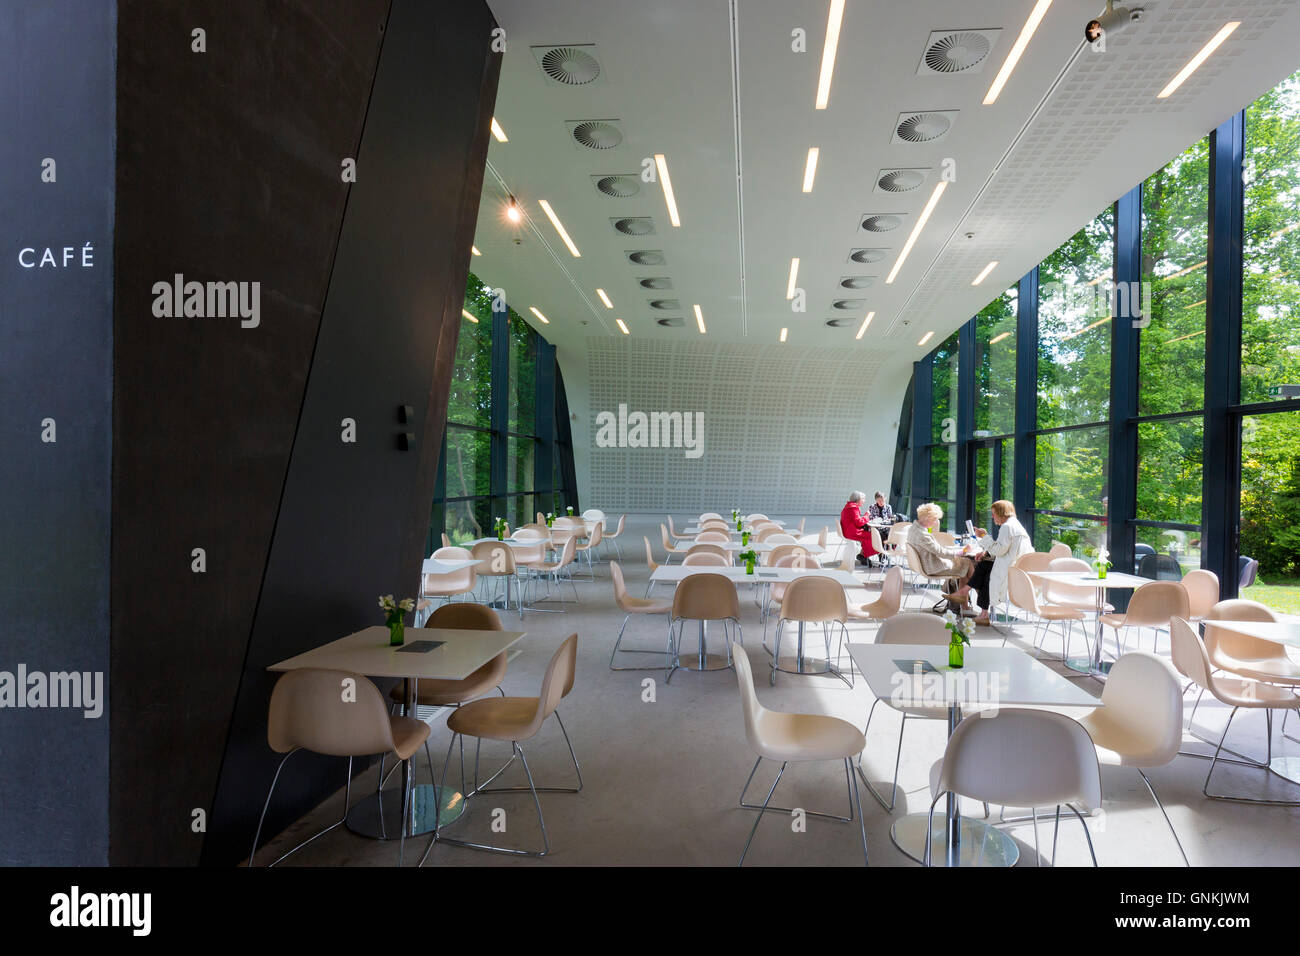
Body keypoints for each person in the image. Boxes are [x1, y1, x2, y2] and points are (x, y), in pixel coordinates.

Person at [969, 500, 1032, 626]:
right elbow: (1004, 549)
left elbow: (999, 550)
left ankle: (978, 607)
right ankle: (980, 609)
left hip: (1010, 570)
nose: (992, 517)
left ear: (1001, 513)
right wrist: (986, 552)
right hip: (1017, 567)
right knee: (983, 567)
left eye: (993, 514)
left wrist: (984, 536)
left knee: (984, 574)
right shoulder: (1015, 525)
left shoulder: (1007, 527)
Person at [909, 503, 974, 605]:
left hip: (923, 565)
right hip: (931, 567)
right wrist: (963, 551)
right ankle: (978, 603)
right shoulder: (923, 535)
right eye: (935, 519)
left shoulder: (913, 528)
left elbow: (936, 549)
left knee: (963, 566)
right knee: (967, 563)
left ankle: (963, 603)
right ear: (927, 518)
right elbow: (940, 552)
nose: (935, 522)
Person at [839, 491, 879, 566]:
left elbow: (856, 521)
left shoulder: (849, 506)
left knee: (870, 535)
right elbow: (859, 522)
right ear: (858, 499)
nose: (864, 500)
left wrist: (864, 517)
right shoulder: (853, 508)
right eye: (863, 499)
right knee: (874, 537)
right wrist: (867, 515)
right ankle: (864, 555)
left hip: (848, 531)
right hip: (852, 532)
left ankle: (863, 555)